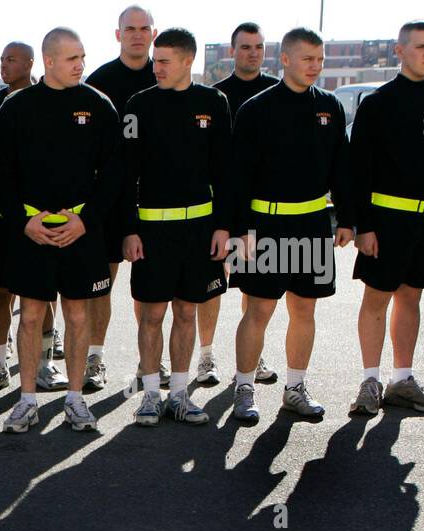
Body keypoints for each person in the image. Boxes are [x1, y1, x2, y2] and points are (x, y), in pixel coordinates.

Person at [0, 27, 120, 432]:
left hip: (81, 232)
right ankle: (26, 400)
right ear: (49, 61)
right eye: (72, 59)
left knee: (78, 315)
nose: (80, 65)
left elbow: (115, 174)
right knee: (30, 315)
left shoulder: (98, 105)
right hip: (32, 231)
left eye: (83, 57)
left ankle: (76, 399)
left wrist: (86, 220)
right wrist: (23, 222)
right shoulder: (16, 108)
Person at [228, 28, 353, 423]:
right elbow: (237, 178)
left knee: (305, 309)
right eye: (307, 59)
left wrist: (347, 218)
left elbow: (341, 169)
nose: (315, 66)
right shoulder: (255, 109)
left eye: (319, 59)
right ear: (285, 60)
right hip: (265, 226)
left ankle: (295, 389)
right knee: (259, 309)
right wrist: (240, 233)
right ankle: (244, 389)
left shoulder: (330, 106)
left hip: (313, 222)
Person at [348, 21, 424, 415]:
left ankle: (402, 380)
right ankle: (369, 381)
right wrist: (363, 224)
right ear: (399, 51)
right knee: (377, 297)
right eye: (420, 46)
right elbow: (360, 169)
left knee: (411, 296)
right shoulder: (378, 103)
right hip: (386, 221)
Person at [121, 27, 232, 428]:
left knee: (187, 311)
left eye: (165, 60)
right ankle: (151, 395)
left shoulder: (213, 102)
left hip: (200, 232)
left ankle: (181, 395)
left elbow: (225, 171)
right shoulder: (138, 105)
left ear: (189, 61)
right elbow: (125, 174)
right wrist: (129, 230)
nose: (157, 67)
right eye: (155, 60)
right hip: (151, 232)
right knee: (152, 315)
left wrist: (224, 226)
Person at [0, 41, 69, 397]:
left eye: (11, 59)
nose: (4, 65)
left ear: (32, 63)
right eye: (1, 59)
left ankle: (45, 364)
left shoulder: (52, 103)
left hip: (40, 221)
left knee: (40, 296)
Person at [85, 4, 159, 390]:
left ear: (153, 33)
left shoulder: (165, 75)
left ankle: (149, 365)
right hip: (110, 201)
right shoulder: (99, 82)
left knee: (152, 291)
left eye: (144, 28)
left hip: (156, 201)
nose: (136, 34)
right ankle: (95, 358)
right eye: (129, 28)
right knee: (102, 284)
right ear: (118, 35)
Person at [205, 22, 283, 388]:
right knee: (214, 283)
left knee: (254, 289)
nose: (253, 52)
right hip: (221, 205)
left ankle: (253, 356)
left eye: (259, 46)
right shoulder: (216, 96)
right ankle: (206, 356)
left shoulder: (276, 93)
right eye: (246, 46)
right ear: (232, 51)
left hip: (259, 211)